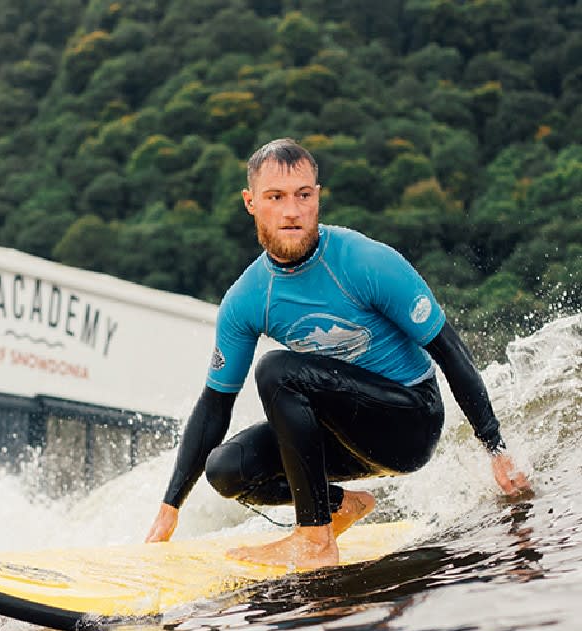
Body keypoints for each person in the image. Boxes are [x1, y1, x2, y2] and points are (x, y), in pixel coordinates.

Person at [145, 138, 532, 569]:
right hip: (340, 436)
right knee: (226, 469)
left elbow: (451, 352)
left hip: (409, 422)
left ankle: (314, 539)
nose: (291, 211)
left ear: (318, 198)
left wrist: (497, 449)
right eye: (275, 197)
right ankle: (340, 506)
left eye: (303, 195)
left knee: (276, 369)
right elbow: (215, 404)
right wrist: (170, 507)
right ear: (250, 203)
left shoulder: (367, 262)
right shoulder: (246, 299)